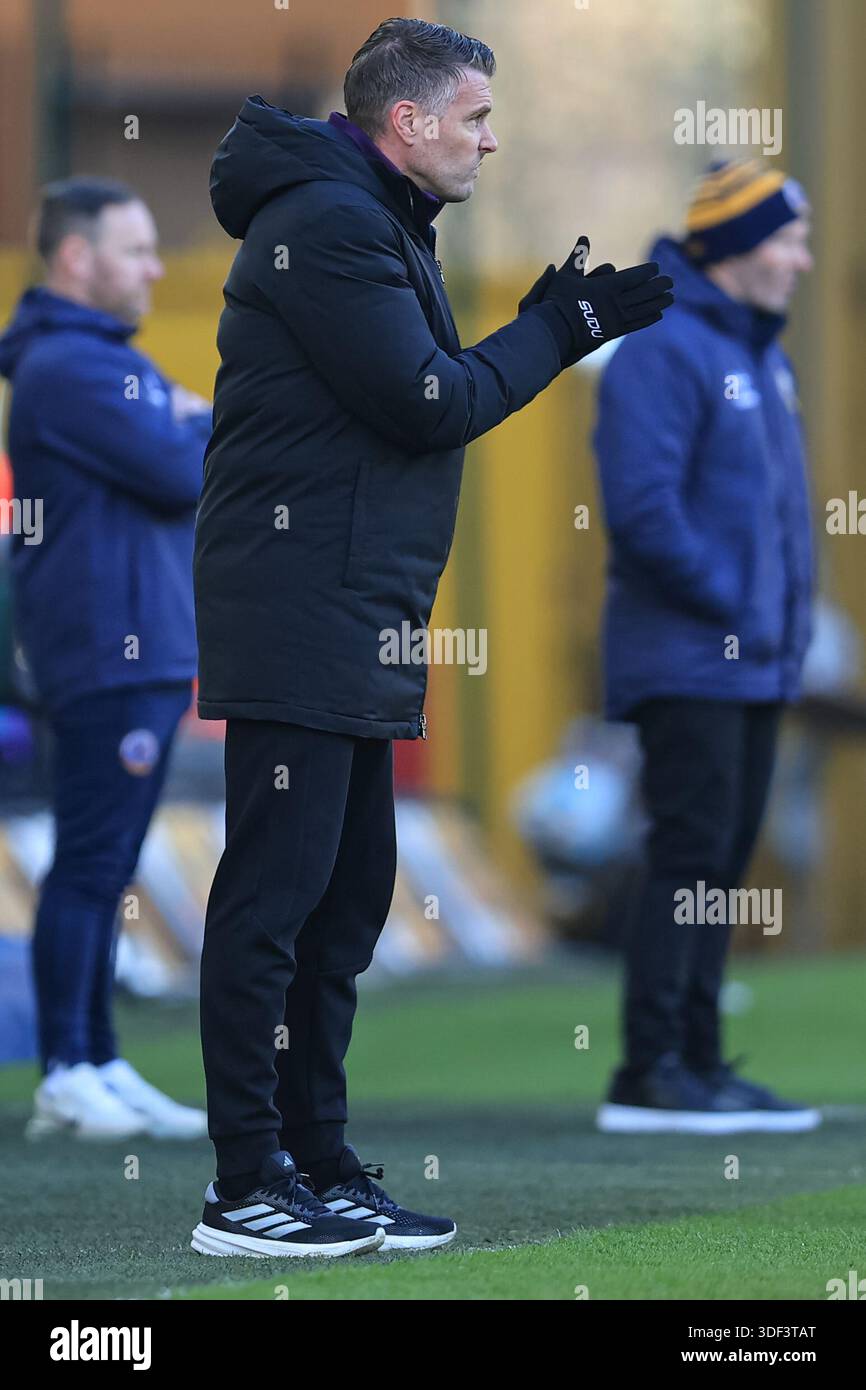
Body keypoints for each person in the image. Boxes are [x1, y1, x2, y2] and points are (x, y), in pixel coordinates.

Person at [191, 16, 673, 1258]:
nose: (488, 140)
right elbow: (426, 406)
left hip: (358, 611)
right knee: (274, 905)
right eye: (472, 117)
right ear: (405, 124)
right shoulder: (331, 224)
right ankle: (243, 1186)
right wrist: (561, 333)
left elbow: (417, 389)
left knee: (345, 905)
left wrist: (533, 323)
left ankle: (315, 1160)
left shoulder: (372, 216)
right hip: (302, 609)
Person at [593, 159, 820, 1134]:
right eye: (787, 239)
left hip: (754, 659)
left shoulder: (759, 353)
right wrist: (731, 603)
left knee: (719, 860)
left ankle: (693, 1060)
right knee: (687, 854)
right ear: (735, 248)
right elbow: (641, 510)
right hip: (692, 657)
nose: (802, 262)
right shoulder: (662, 348)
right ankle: (651, 1070)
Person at [0, 177, 211, 1140]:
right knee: (90, 863)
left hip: (140, 648)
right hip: (105, 651)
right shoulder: (67, 369)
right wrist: (194, 416)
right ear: (75, 258)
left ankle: (97, 1060)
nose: (155, 269)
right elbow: (183, 468)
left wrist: (181, 412)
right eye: (135, 250)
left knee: (106, 862)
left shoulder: (92, 363)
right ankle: (67, 1071)